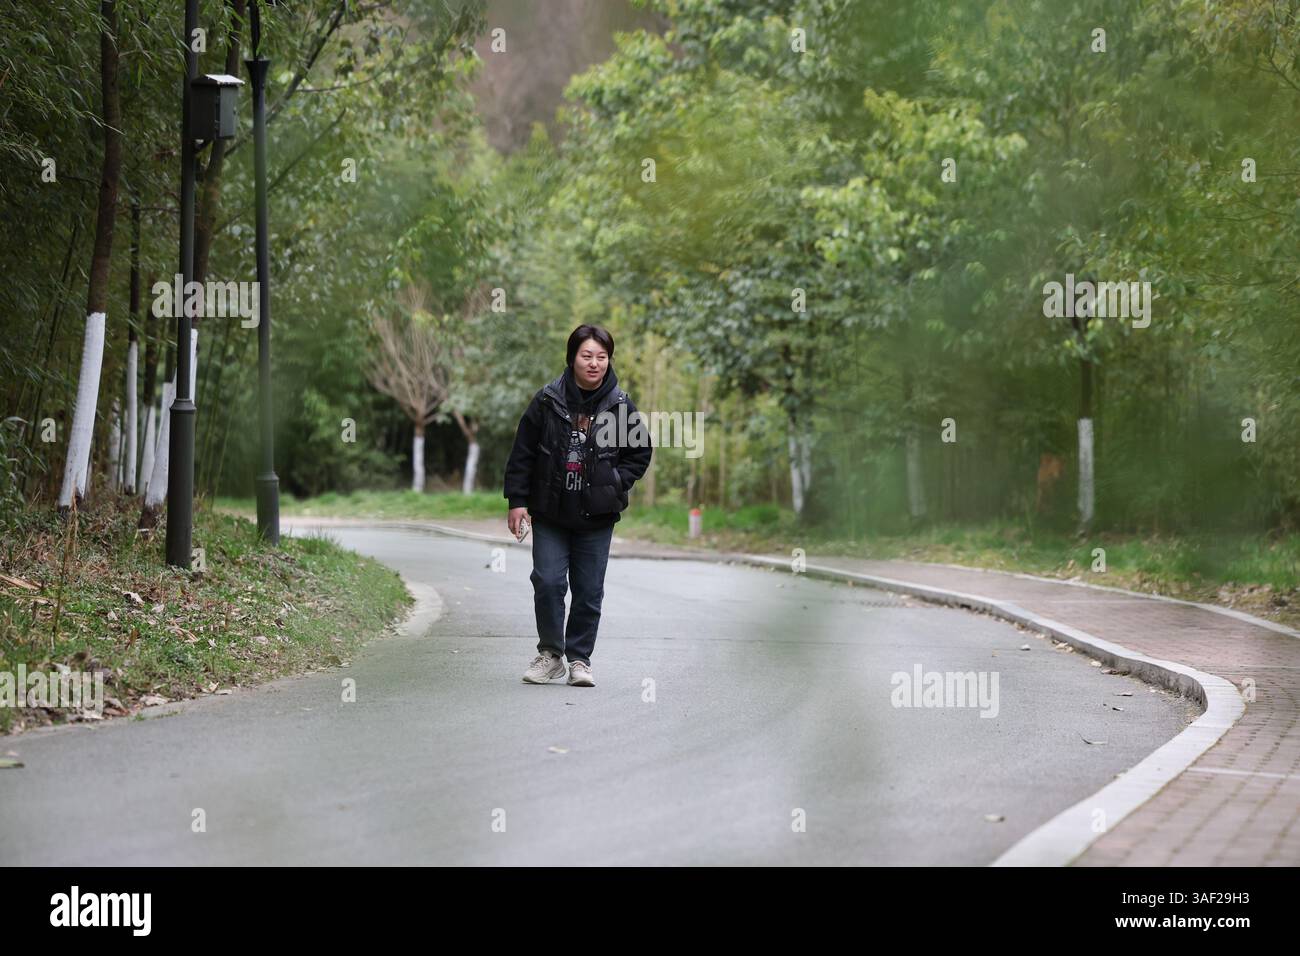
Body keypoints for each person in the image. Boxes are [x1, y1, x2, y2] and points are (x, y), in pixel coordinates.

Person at [502, 324, 653, 687]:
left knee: (588, 591)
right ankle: (551, 654)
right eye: (587, 355)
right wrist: (517, 501)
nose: (594, 363)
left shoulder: (619, 405)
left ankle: (580, 659)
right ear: (572, 358)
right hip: (551, 512)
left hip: (597, 516)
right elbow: (523, 453)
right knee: (548, 581)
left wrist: (614, 483)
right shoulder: (547, 401)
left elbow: (640, 452)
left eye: (602, 357)